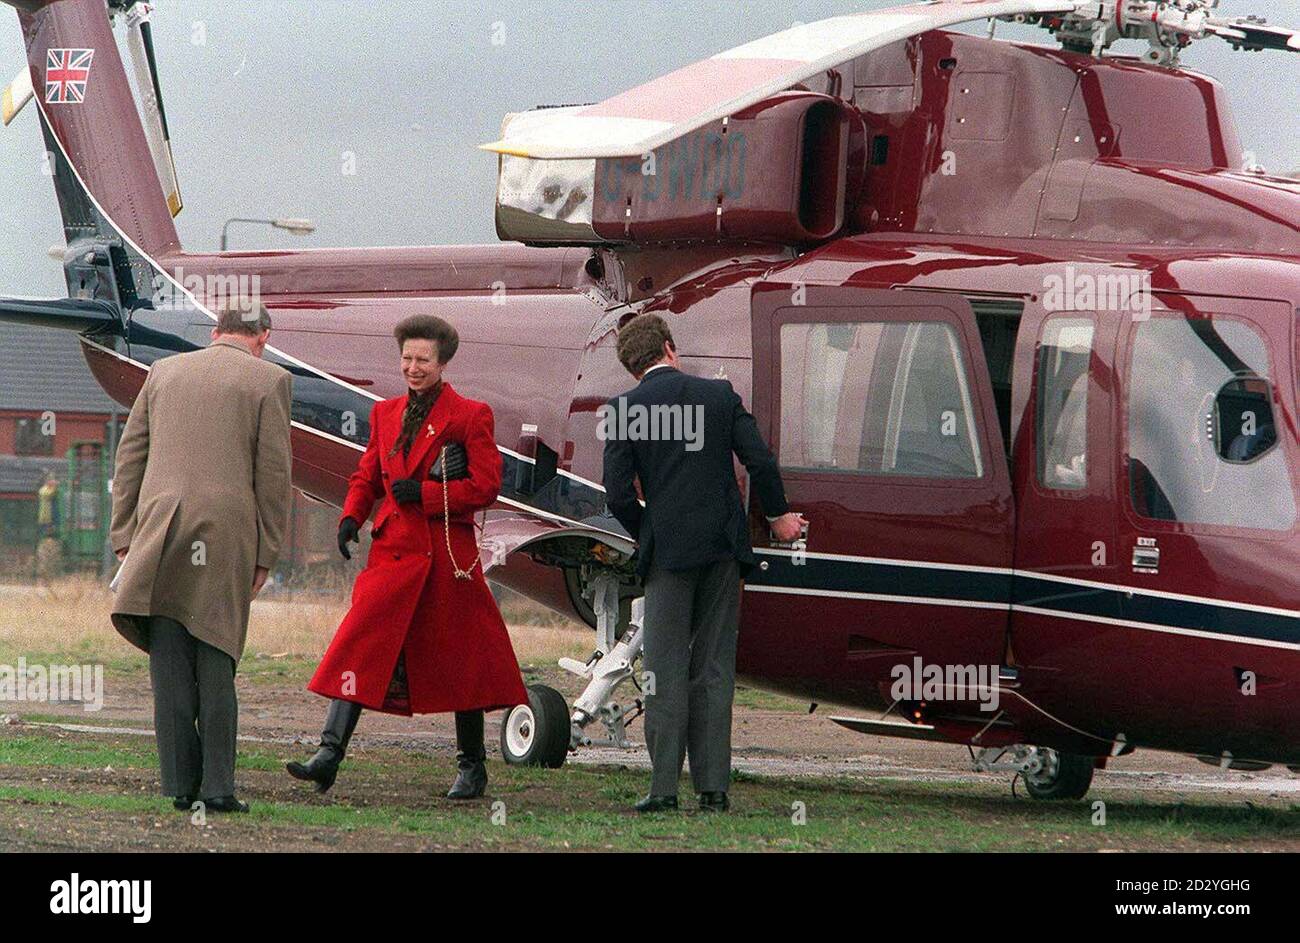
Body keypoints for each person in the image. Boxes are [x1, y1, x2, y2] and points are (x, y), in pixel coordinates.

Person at [288, 314, 527, 799]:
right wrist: (351, 516)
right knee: (359, 644)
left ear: (442, 363)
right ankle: (328, 756)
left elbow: (486, 487)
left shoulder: (470, 415)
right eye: (406, 358)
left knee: (460, 659)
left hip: (445, 558)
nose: (412, 368)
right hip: (394, 553)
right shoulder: (385, 413)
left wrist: (426, 493)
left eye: (422, 360)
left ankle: (472, 768)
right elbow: (367, 475)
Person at [602, 314, 805, 813]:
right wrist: (778, 516)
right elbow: (760, 461)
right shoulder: (719, 396)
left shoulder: (623, 410)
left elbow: (617, 493)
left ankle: (663, 790)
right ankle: (714, 790)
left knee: (665, 670)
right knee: (713, 667)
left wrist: (649, 531)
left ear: (632, 367)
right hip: (722, 547)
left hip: (668, 554)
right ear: (670, 348)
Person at [109, 300, 293, 814]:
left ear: (216, 331)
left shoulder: (163, 372)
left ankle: (178, 784)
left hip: (159, 529)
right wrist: (266, 552)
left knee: (168, 660)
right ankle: (217, 788)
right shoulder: (270, 380)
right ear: (263, 337)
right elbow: (273, 477)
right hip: (226, 535)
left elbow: (130, 457)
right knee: (216, 656)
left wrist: (124, 534)